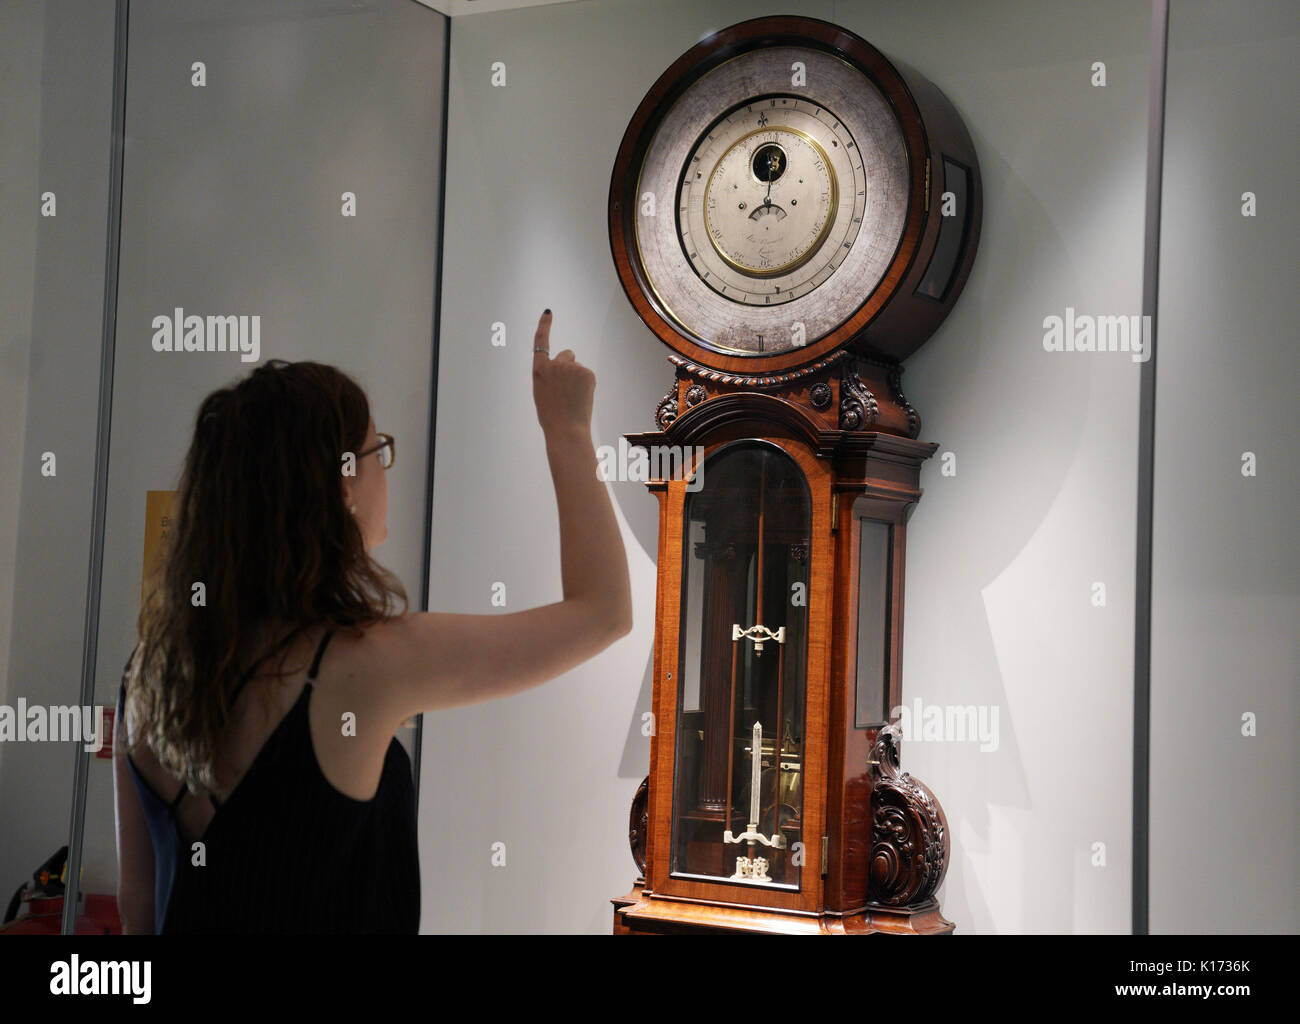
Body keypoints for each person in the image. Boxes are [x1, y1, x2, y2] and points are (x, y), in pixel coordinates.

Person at [113, 310, 632, 932]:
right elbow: (603, 612)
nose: (386, 467)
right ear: (338, 488)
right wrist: (568, 431)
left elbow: (139, 903)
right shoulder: (363, 664)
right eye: (376, 450)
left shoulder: (149, 667)